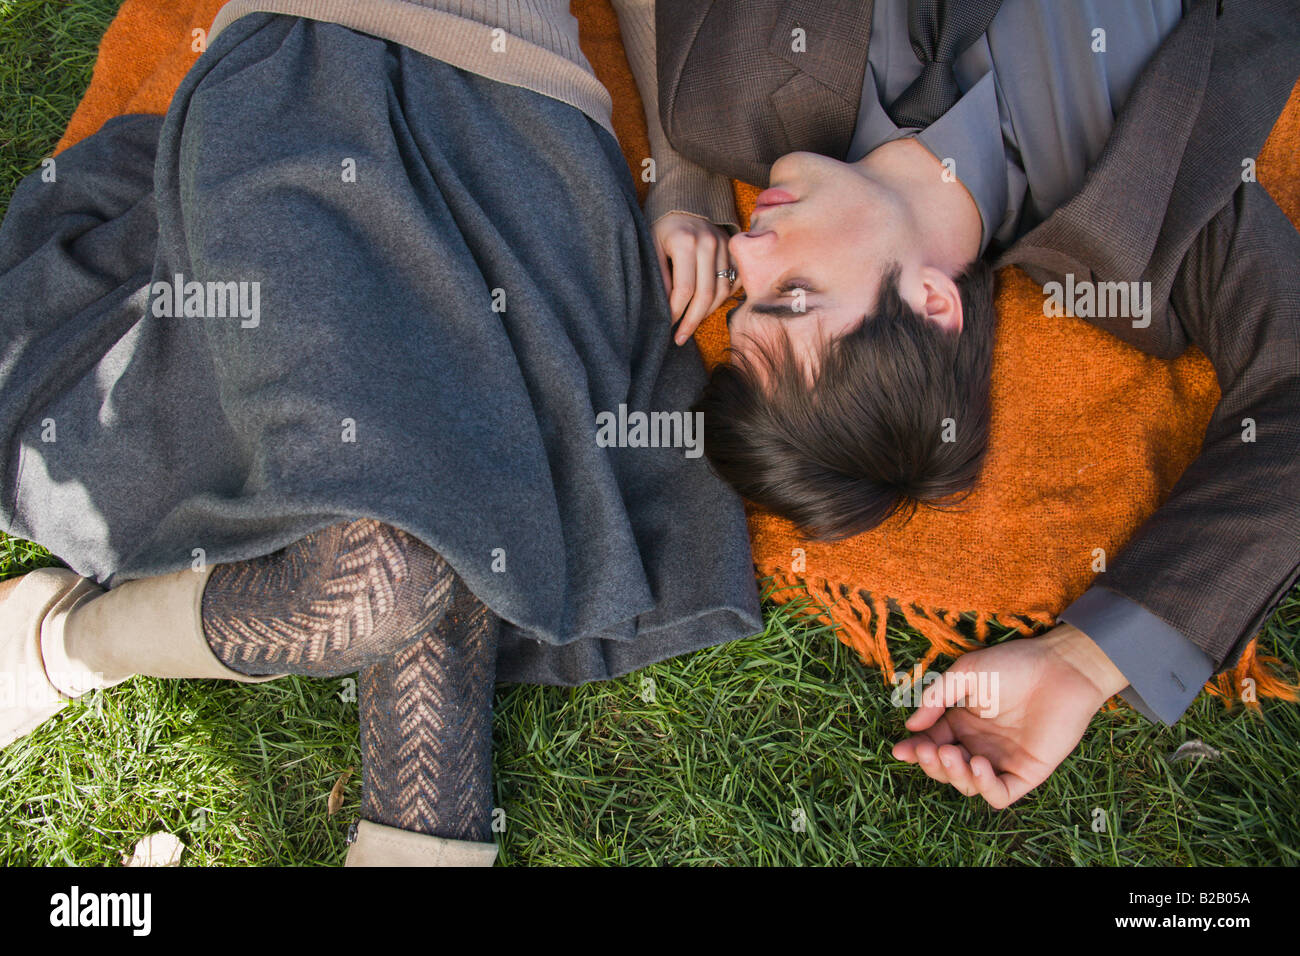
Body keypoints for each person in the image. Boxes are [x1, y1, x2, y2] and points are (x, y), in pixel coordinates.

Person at [0, 0, 762, 865]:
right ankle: (66, 642)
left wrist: (688, 183)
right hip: (311, 66)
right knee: (385, 568)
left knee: (430, 478)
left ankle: (65, 639)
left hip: (530, 125)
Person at [648, 0, 1300, 806]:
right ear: (931, 305)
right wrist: (1084, 661)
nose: (745, 245)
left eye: (747, 296)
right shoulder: (1146, 224)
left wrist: (678, 192)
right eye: (792, 297)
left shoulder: (720, 94)